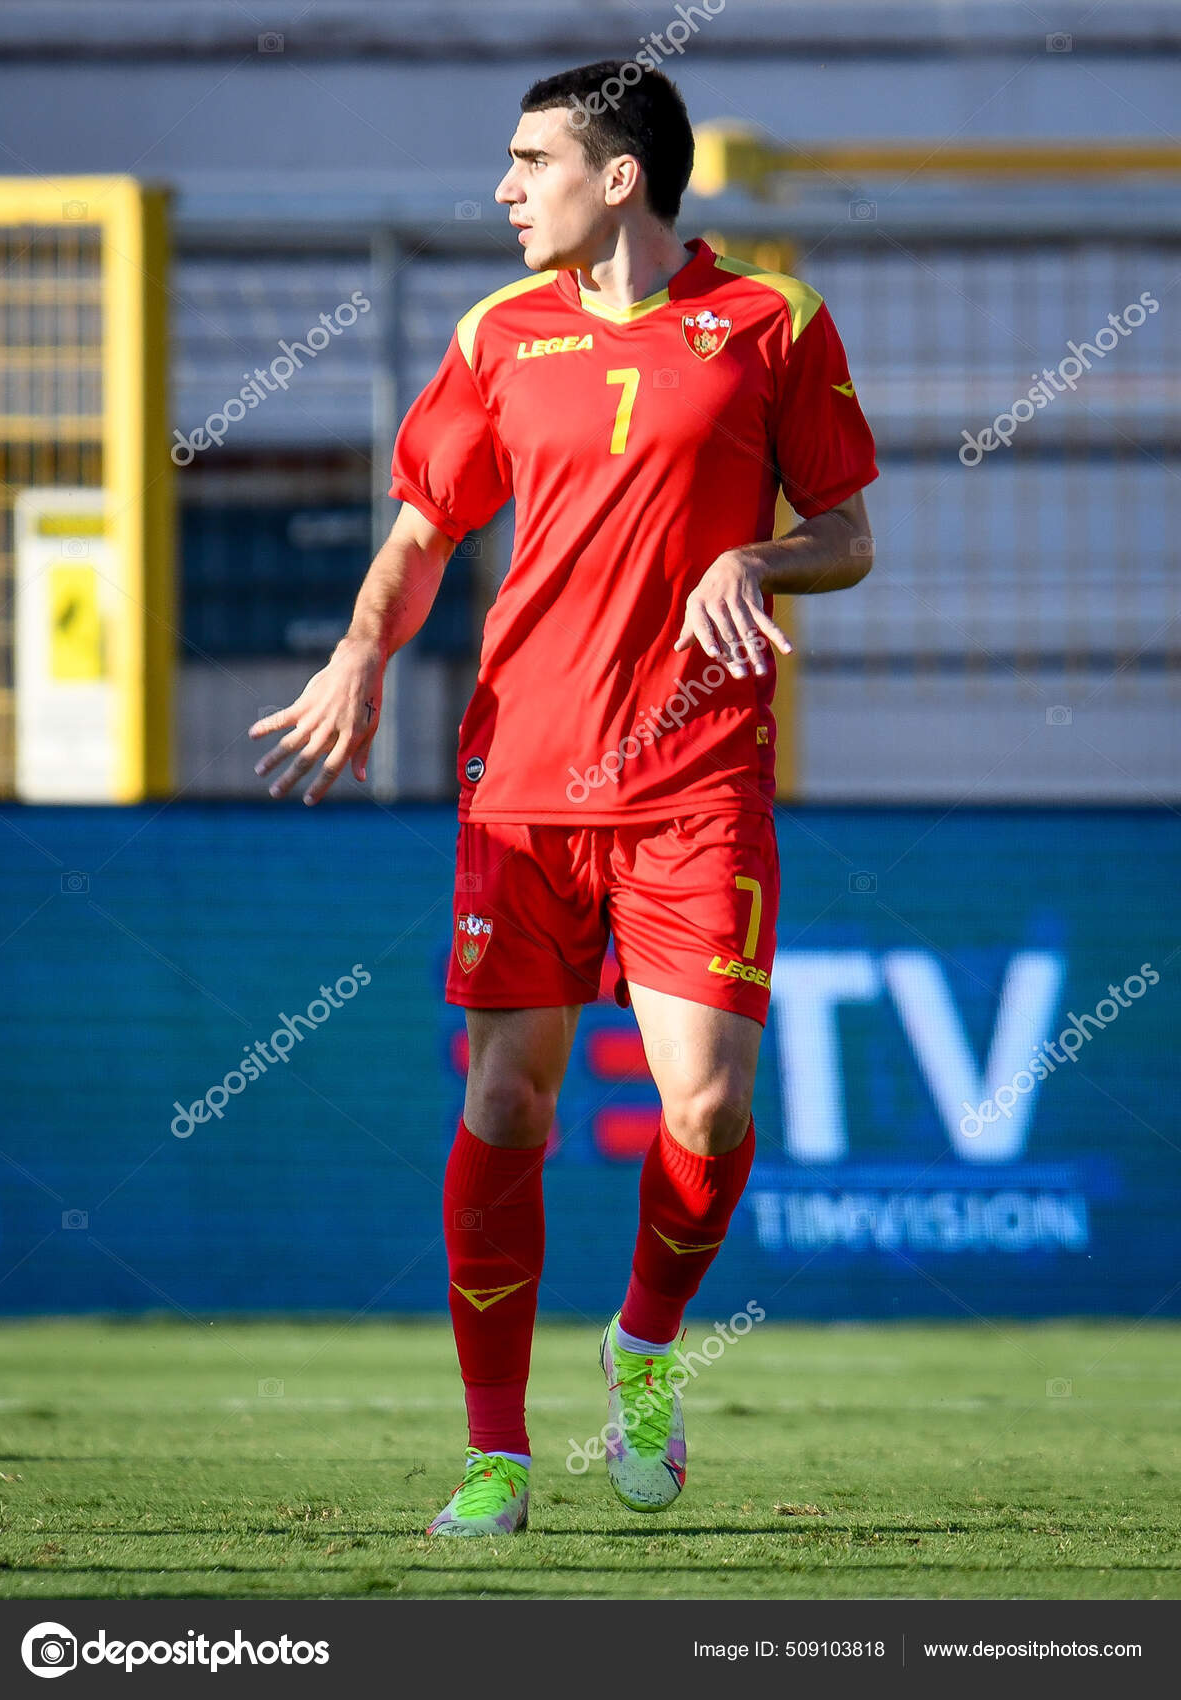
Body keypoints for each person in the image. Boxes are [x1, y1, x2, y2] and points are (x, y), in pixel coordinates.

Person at [251, 59, 878, 1538]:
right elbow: (418, 535)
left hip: (696, 776)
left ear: (620, 179)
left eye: (531, 160)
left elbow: (846, 532)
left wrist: (757, 559)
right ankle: (497, 1456)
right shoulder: (495, 336)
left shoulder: (767, 322)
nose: (504, 188)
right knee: (507, 1099)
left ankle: (645, 1346)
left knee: (710, 1112)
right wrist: (357, 654)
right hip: (523, 785)